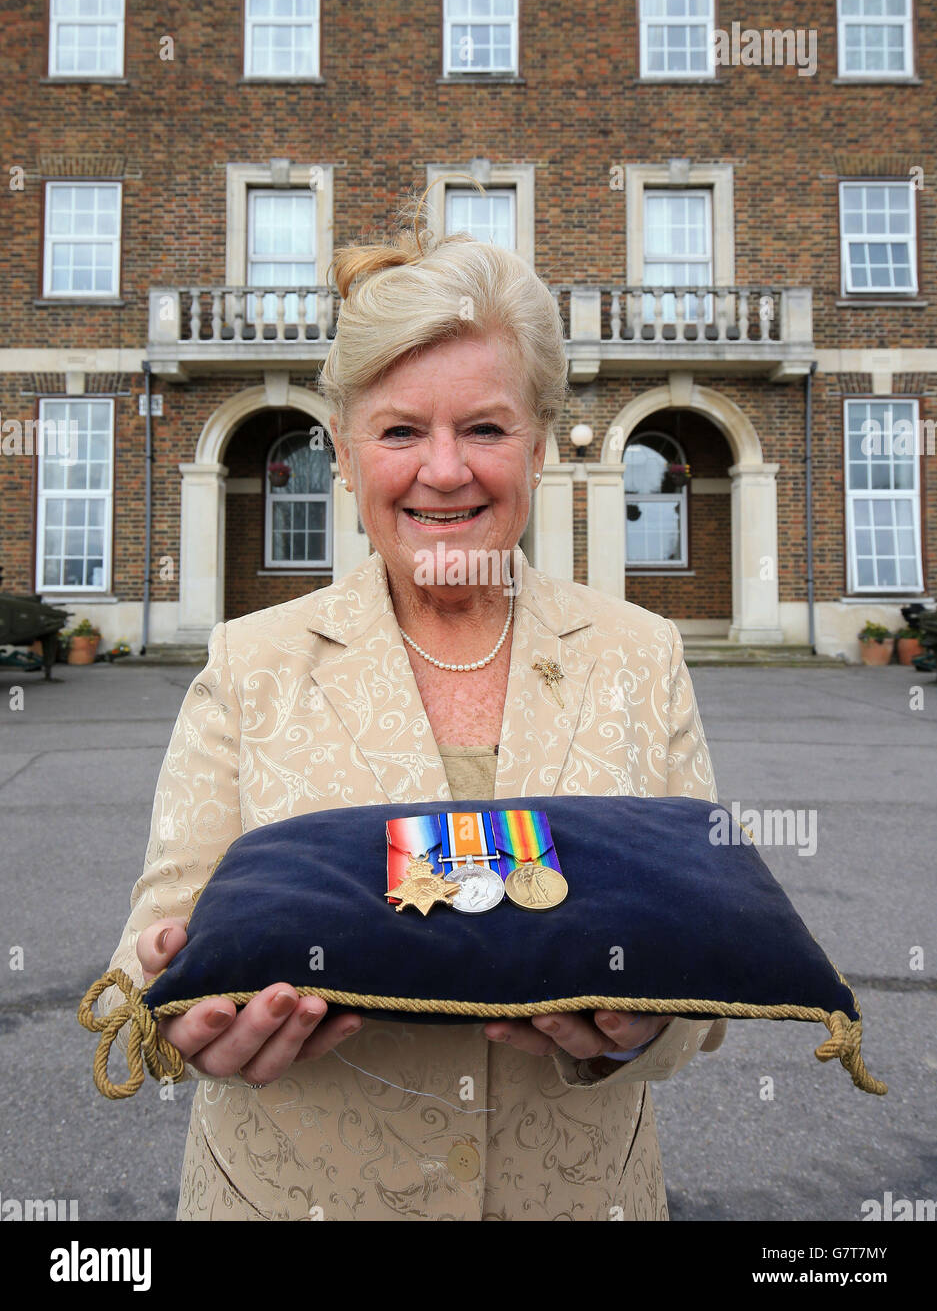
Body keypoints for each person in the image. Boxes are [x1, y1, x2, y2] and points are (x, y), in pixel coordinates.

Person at [100, 188, 727, 1221]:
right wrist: (180, 1014)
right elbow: (154, 944)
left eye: (484, 426)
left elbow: (706, 970)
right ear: (343, 455)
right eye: (400, 431)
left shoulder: (640, 654)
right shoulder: (252, 660)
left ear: (537, 446)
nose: (444, 470)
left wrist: (644, 1027)